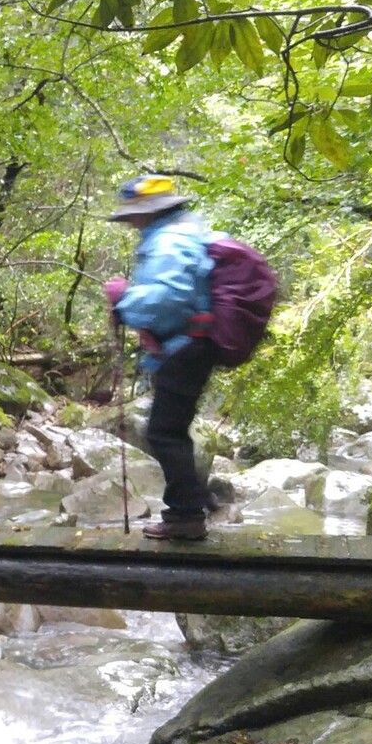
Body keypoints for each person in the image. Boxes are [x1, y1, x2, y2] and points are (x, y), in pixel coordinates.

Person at [104, 175, 217, 541]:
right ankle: (198, 503)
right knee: (171, 430)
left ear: (149, 212)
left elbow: (167, 299)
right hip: (191, 346)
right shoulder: (184, 232)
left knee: (164, 432)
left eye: (133, 215)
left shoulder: (169, 240)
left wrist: (124, 299)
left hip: (186, 348)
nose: (131, 222)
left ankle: (186, 515)